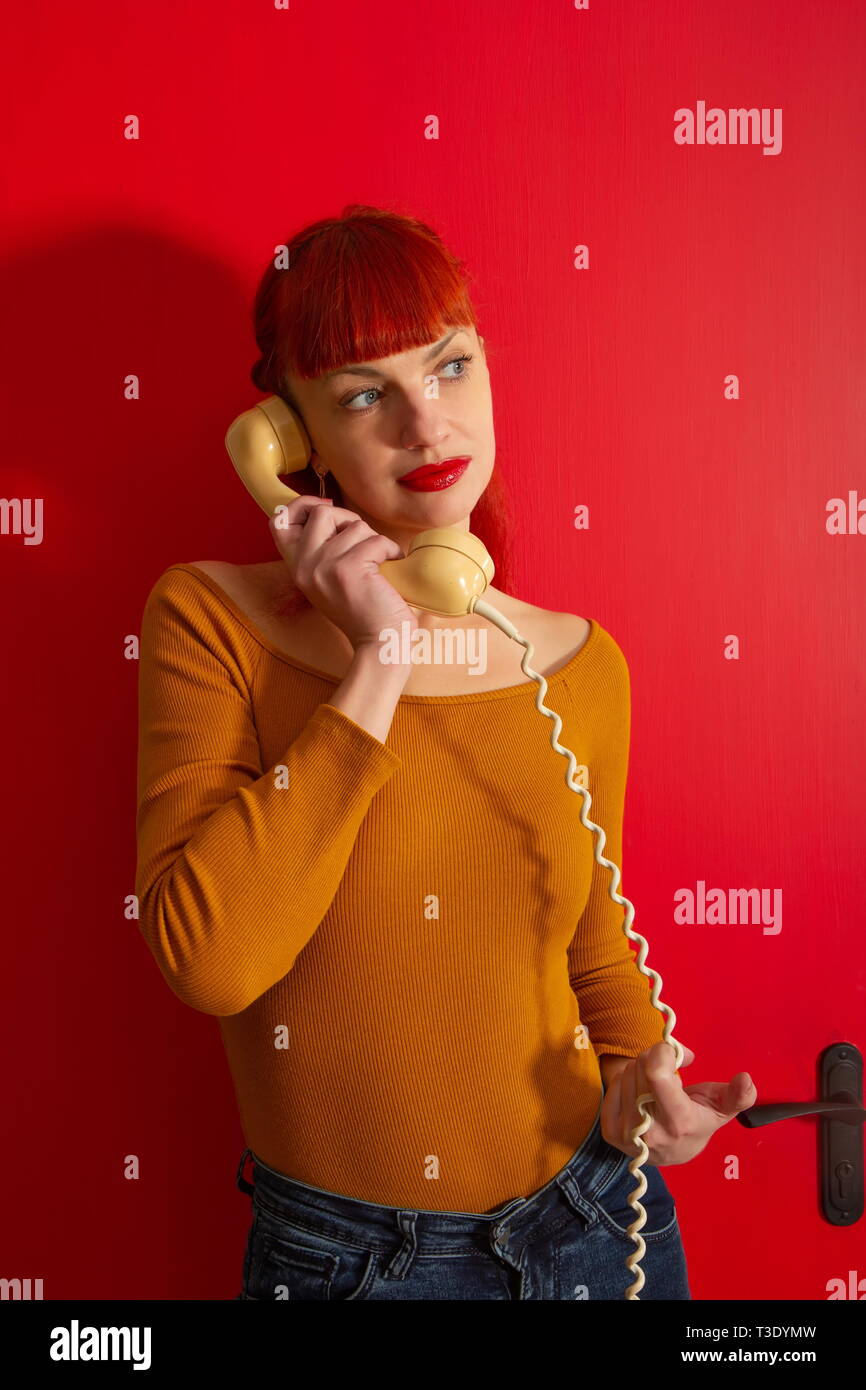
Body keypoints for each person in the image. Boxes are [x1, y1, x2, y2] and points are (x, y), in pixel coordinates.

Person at [134, 204, 756, 1301]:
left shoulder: (576, 662)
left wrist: (638, 1082)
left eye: (450, 366)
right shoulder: (207, 620)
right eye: (365, 393)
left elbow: (593, 944)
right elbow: (211, 958)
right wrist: (378, 661)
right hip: (349, 1262)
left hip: (592, 1220)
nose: (430, 426)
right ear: (286, 441)